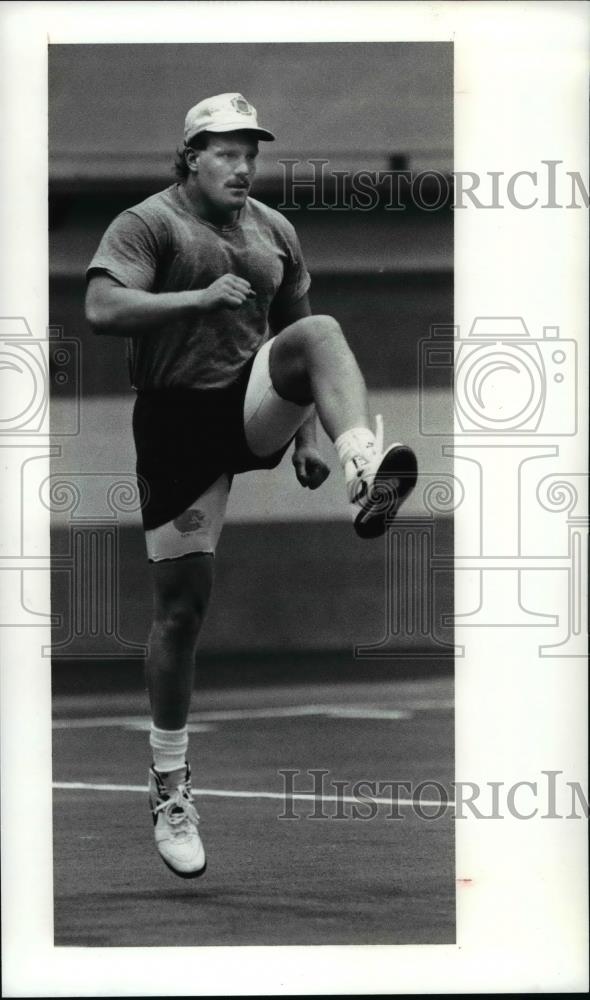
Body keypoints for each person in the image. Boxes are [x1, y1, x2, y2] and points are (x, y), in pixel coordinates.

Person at [85, 92, 418, 879]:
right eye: (228, 153)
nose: (244, 166)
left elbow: (296, 335)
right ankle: (170, 786)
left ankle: (361, 466)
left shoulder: (274, 232)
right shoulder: (149, 223)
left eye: (253, 153)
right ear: (191, 156)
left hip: (245, 403)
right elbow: (101, 306)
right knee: (182, 609)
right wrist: (194, 299)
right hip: (175, 423)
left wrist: (306, 429)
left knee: (324, 331)